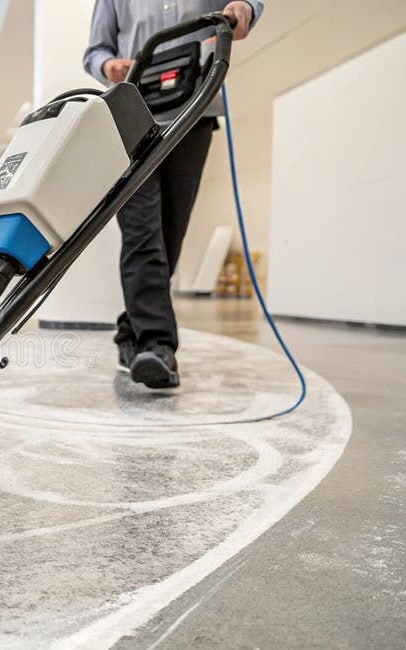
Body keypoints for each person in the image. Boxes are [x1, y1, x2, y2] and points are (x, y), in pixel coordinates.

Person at [84, 0, 262, 388]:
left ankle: (131, 331)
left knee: (170, 233)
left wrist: (243, 9)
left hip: (194, 107)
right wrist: (108, 66)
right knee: (141, 230)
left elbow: (248, 5)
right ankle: (156, 345)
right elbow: (95, 52)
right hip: (134, 115)